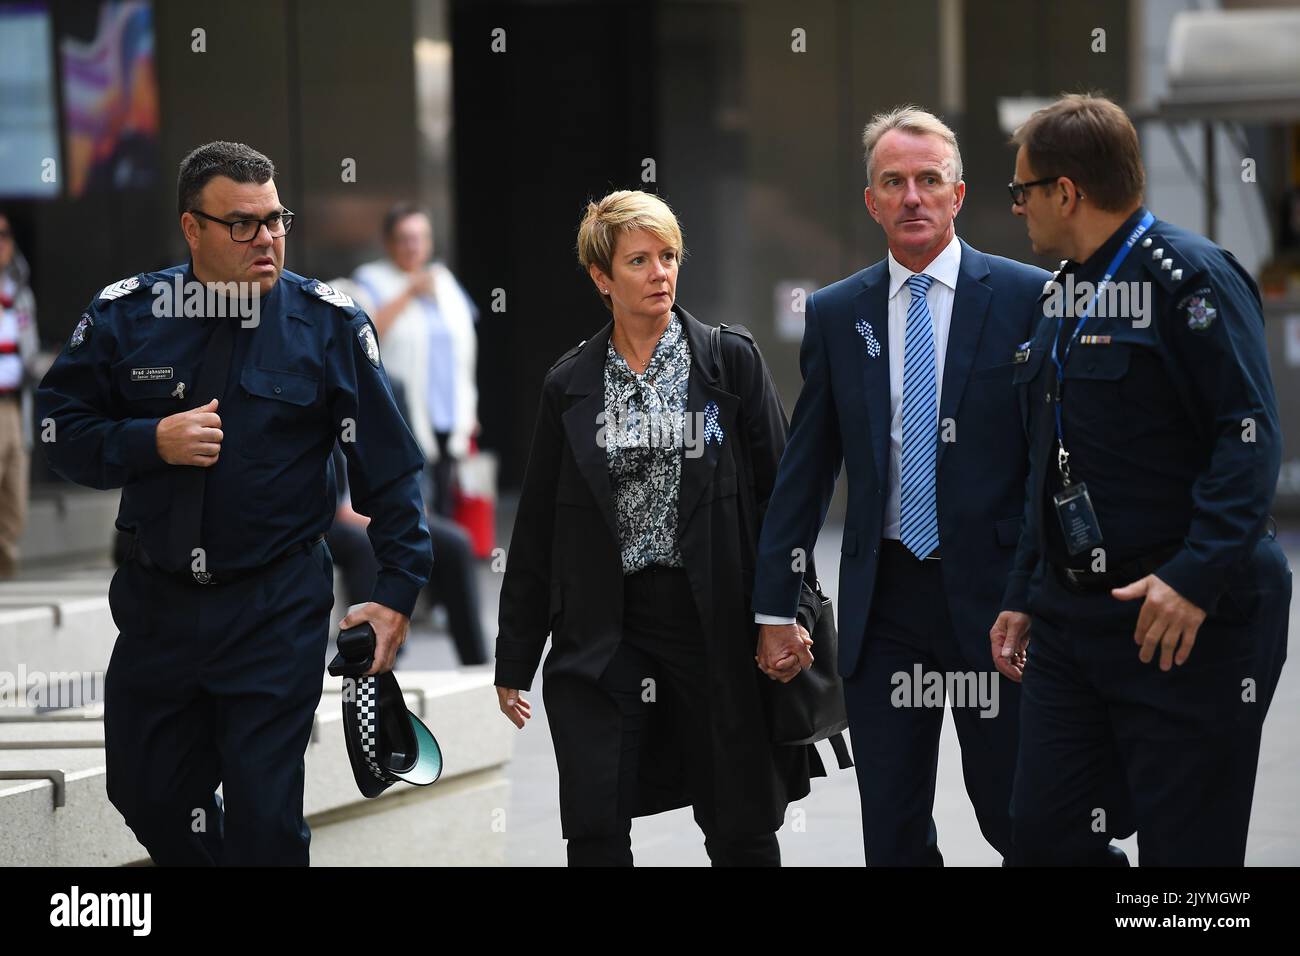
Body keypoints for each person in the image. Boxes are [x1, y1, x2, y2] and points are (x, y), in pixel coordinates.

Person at [35, 141, 432, 866]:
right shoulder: (128, 315)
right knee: (147, 793)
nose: (267, 239)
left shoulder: (329, 324)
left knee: (265, 823)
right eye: (242, 224)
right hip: (159, 609)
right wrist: (146, 439)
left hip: (273, 609)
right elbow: (59, 432)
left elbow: (392, 472)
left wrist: (396, 592)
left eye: (275, 220)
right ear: (193, 229)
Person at [993, 94, 1291, 866]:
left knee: (1187, 857)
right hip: (1073, 620)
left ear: (1067, 192)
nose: (1017, 206)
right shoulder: (1061, 291)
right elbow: (1049, 460)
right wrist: (1026, 590)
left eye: (1022, 189)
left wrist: (1193, 578)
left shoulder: (1189, 278)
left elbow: (1247, 435)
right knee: (1044, 837)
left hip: (1186, 621)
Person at [752, 107, 1050, 865]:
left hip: (997, 606)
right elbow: (806, 470)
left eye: (928, 180)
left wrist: (1042, 591)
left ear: (957, 193)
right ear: (872, 201)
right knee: (891, 835)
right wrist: (775, 606)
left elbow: (1051, 460)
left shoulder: (1029, 298)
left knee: (1017, 821)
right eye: (894, 182)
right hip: (887, 608)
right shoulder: (837, 311)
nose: (912, 197)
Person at [495, 189, 825, 866]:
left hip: (711, 618)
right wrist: (515, 657)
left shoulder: (727, 362)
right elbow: (535, 530)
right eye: (639, 260)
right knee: (594, 819)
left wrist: (789, 612)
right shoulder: (571, 384)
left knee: (739, 818)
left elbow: (782, 498)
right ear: (601, 278)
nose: (660, 273)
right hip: (603, 624)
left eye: (668, 256)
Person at [351, 203, 478, 518]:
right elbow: (367, 333)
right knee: (414, 505)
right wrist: (408, 292)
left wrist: (470, 408)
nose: (413, 246)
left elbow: (465, 347)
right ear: (389, 242)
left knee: (447, 506)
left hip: (448, 414)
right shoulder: (370, 279)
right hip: (401, 412)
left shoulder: (442, 279)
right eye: (405, 238)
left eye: (420, 237)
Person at [0, 212, 41, 578]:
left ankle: (5, 578)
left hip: (15, 404)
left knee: (14, 499)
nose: (3, 242)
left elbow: (27, 353)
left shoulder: (19, 291)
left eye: (6, 235)